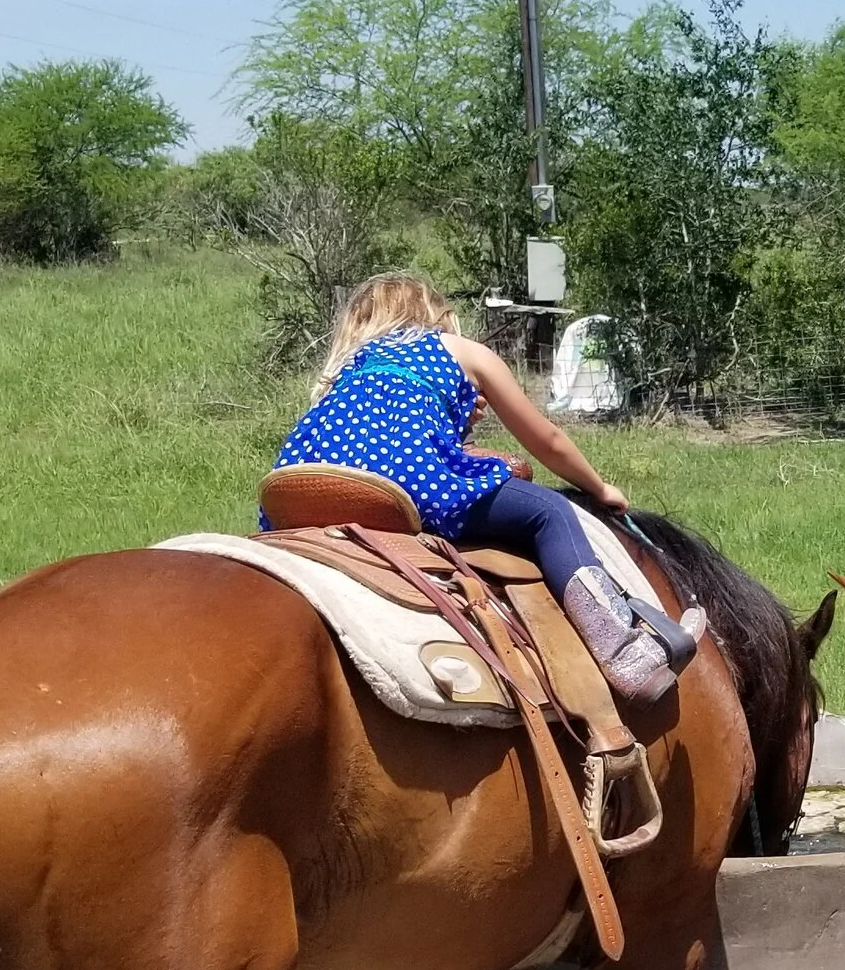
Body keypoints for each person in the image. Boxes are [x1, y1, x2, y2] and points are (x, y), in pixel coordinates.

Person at [270, 272, 701, 703]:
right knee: (547, 514)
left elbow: (375, 434)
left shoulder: (350, 366)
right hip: (403, 479)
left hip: (303, 481)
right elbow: (546, 440)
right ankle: (625, 652)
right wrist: (600, 487)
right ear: (434, 314)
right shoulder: (458, 350)